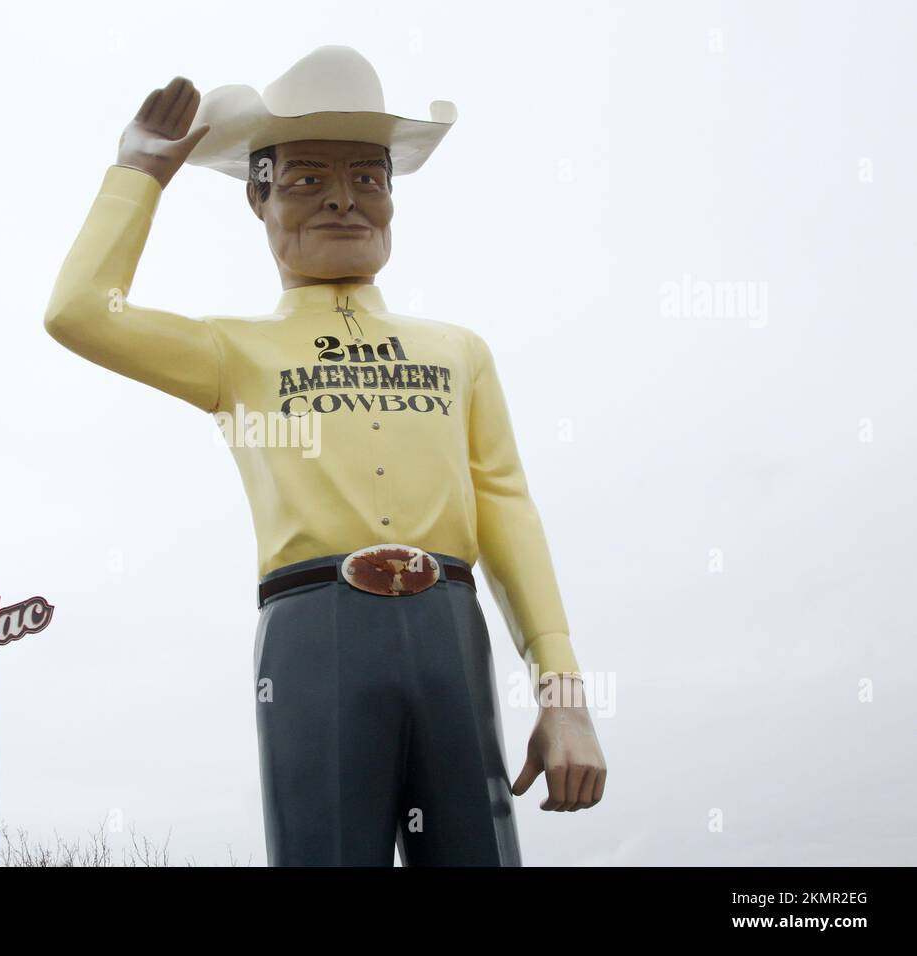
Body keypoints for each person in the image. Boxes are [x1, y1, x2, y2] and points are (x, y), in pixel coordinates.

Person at [44, 45, 606, 866]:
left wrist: (564, 696)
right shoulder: (232, 350)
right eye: (308, 178)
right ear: (256, 196)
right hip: (314, 630)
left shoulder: (458, 351)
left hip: (450, 625)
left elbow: (508, 511)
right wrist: (137, 177)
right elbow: (81, 313)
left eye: (369, 178)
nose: (345, 200)